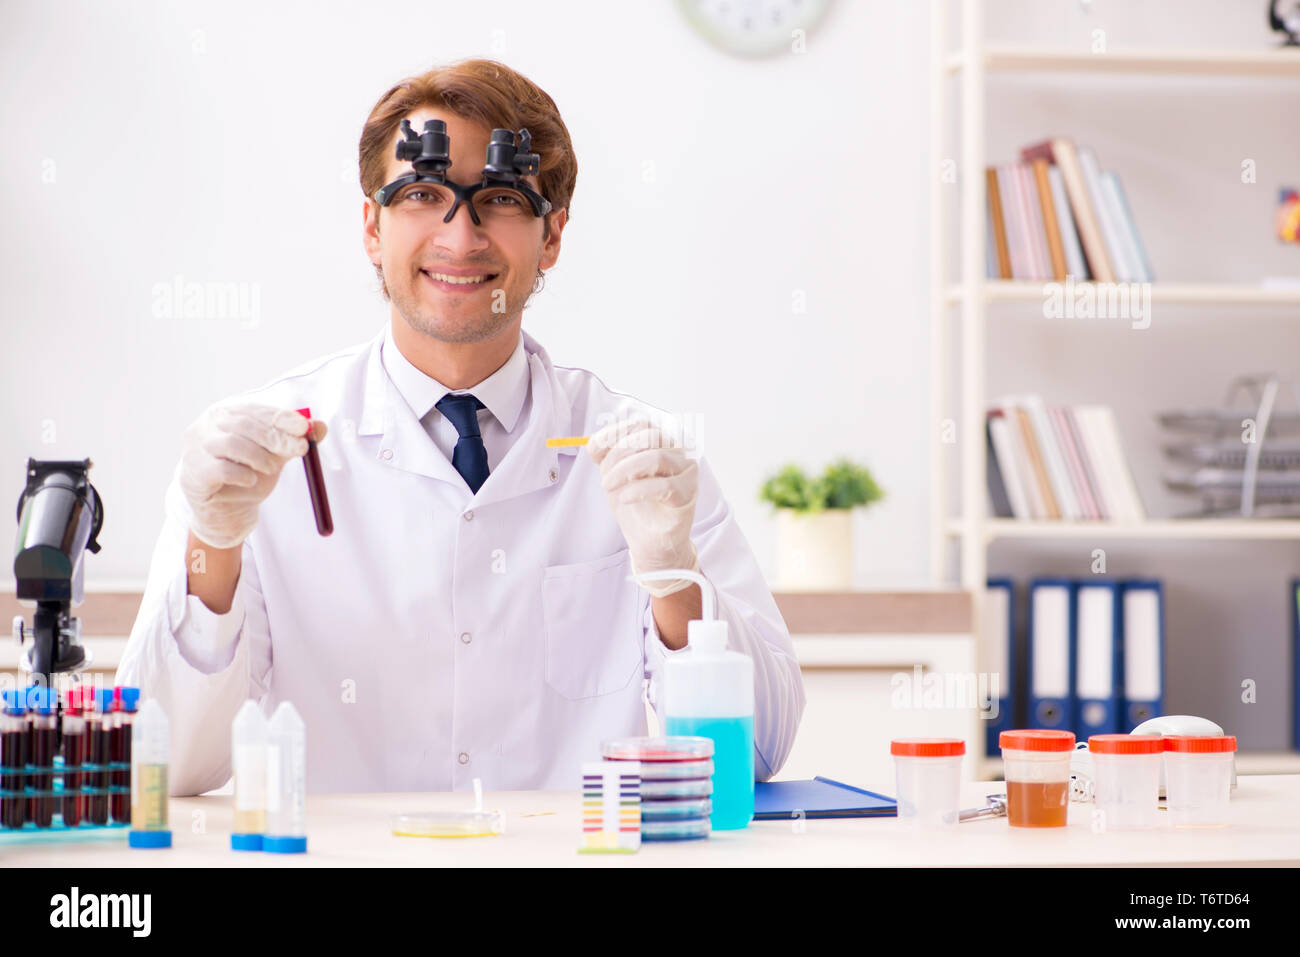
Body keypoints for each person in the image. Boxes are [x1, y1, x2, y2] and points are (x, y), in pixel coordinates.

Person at [117, 58, 804, 795]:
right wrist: (212, 548)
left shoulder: (643, 462)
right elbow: (165, 766)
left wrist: (674, 576)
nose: (461, 235)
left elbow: (759, 750)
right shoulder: (256, 459)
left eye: (502, 197)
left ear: (553, 236)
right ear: (372, 226)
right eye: (422, 192)